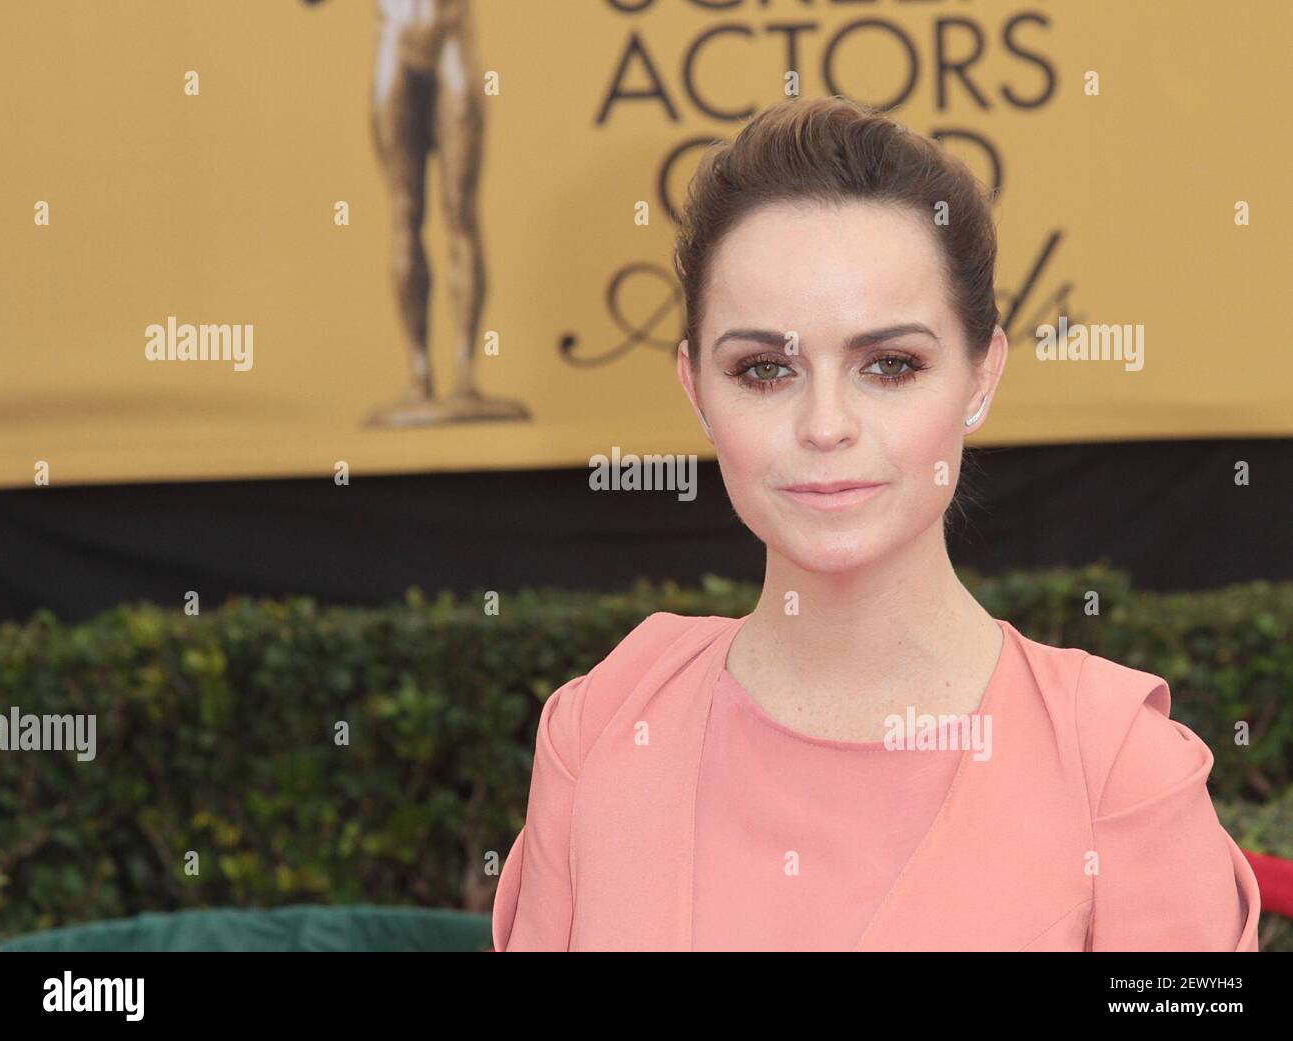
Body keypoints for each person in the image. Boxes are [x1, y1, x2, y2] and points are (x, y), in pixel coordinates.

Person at [491, 96, 1260, 951]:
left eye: (890, 365)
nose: (826, 425)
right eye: (765, 369)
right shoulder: (604, 727)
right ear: (695, 388)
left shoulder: (1116, 768)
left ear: (981, 375)